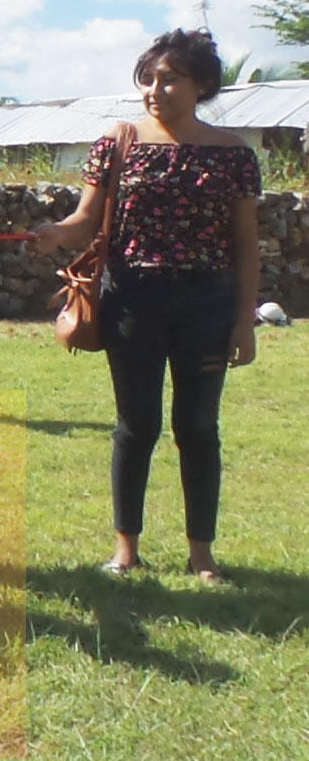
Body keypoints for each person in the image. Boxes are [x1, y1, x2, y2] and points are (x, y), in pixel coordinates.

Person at [31, 29, 259, 586]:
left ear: (201, 84)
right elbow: (85, 219)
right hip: (132, 298)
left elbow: (247, 244)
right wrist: (55, 233)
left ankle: (201, 555)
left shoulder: (234, 154)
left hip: (208, 302)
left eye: (169, 79)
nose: (154, 89)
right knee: (137, 426)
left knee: (198, 427)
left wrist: (243, 321)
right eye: (148, 78)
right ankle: (125, 549)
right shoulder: (120, 139)